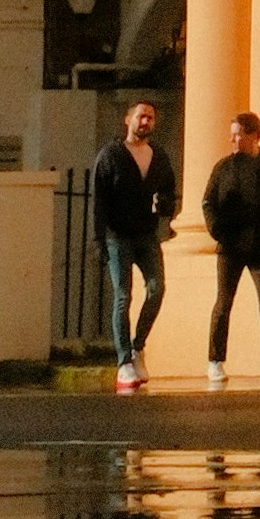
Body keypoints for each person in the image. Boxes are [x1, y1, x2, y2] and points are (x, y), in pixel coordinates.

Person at [89, 93, 174, 384]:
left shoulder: (159, 156)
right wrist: (99, 240)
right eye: (141, 115)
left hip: (146, 234)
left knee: (157, 288)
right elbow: (99, 201)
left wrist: (164, 205)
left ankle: (138, 347)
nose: (146, 121)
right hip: (117, 236)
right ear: (128, 119)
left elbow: (168, 192)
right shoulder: (110, 156)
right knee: (123, 296)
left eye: (150, 117)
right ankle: (124, 360)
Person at [200, 107, 260, 378]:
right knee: (223, 302)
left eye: (237, 135)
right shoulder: (224, 168)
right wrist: (217, 230)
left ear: (254, 136)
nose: (233, 140)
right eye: (232, 135)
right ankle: (215, 360)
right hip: (230, 247)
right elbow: (209, 202)